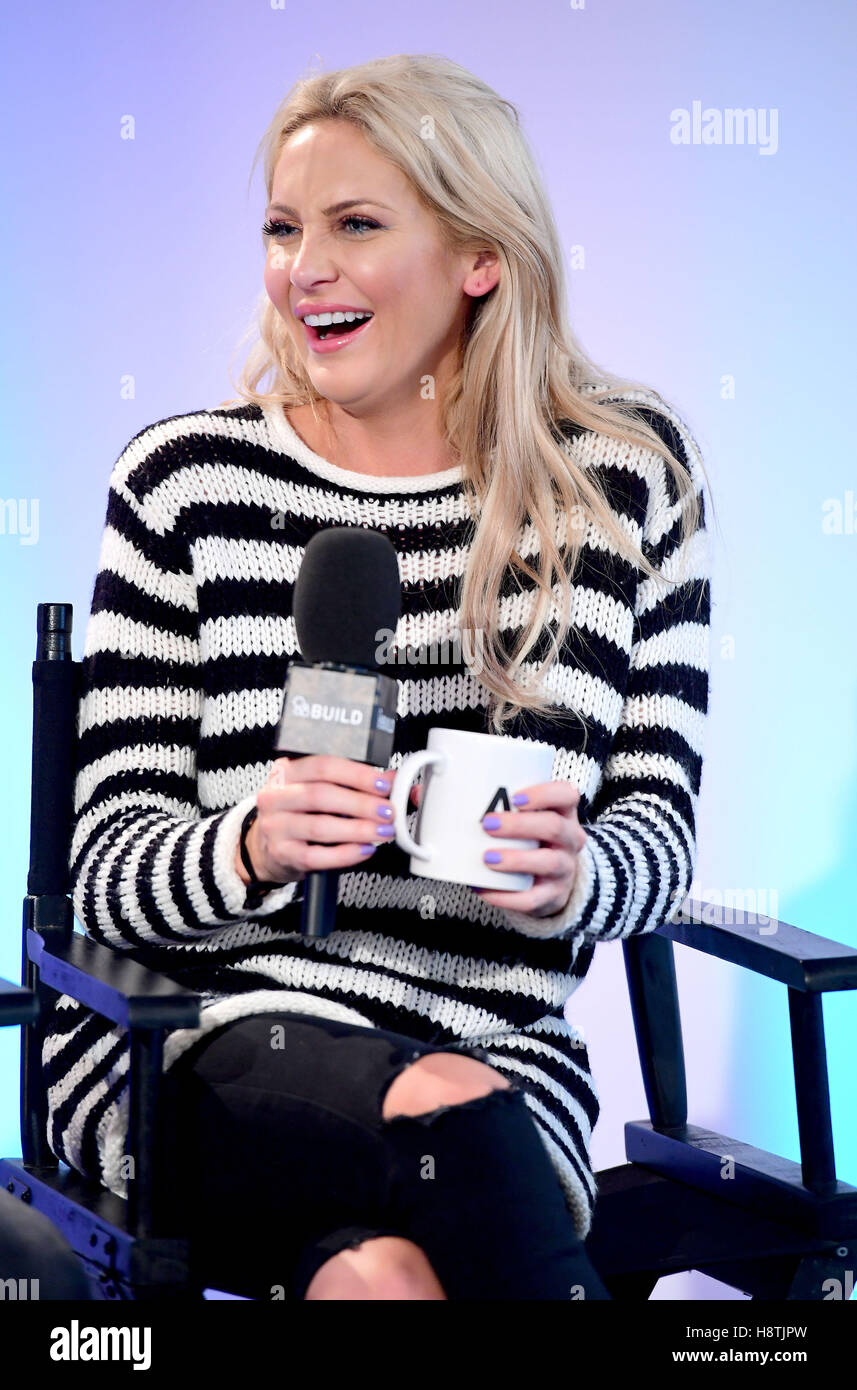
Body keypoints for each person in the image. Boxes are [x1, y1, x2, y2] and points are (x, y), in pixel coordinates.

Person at [42, 53, 712, 1300]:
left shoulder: (625, 480)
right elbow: (102, 869)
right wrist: (248, 843)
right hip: (202, 1039)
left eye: (356, 225)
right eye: (285, 230)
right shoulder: (187, 482)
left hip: (498, 1056)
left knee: (385, 1281)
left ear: (479, 256)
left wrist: (579, 875)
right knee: (441, 1108)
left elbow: (661, 836)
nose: (306, 269)